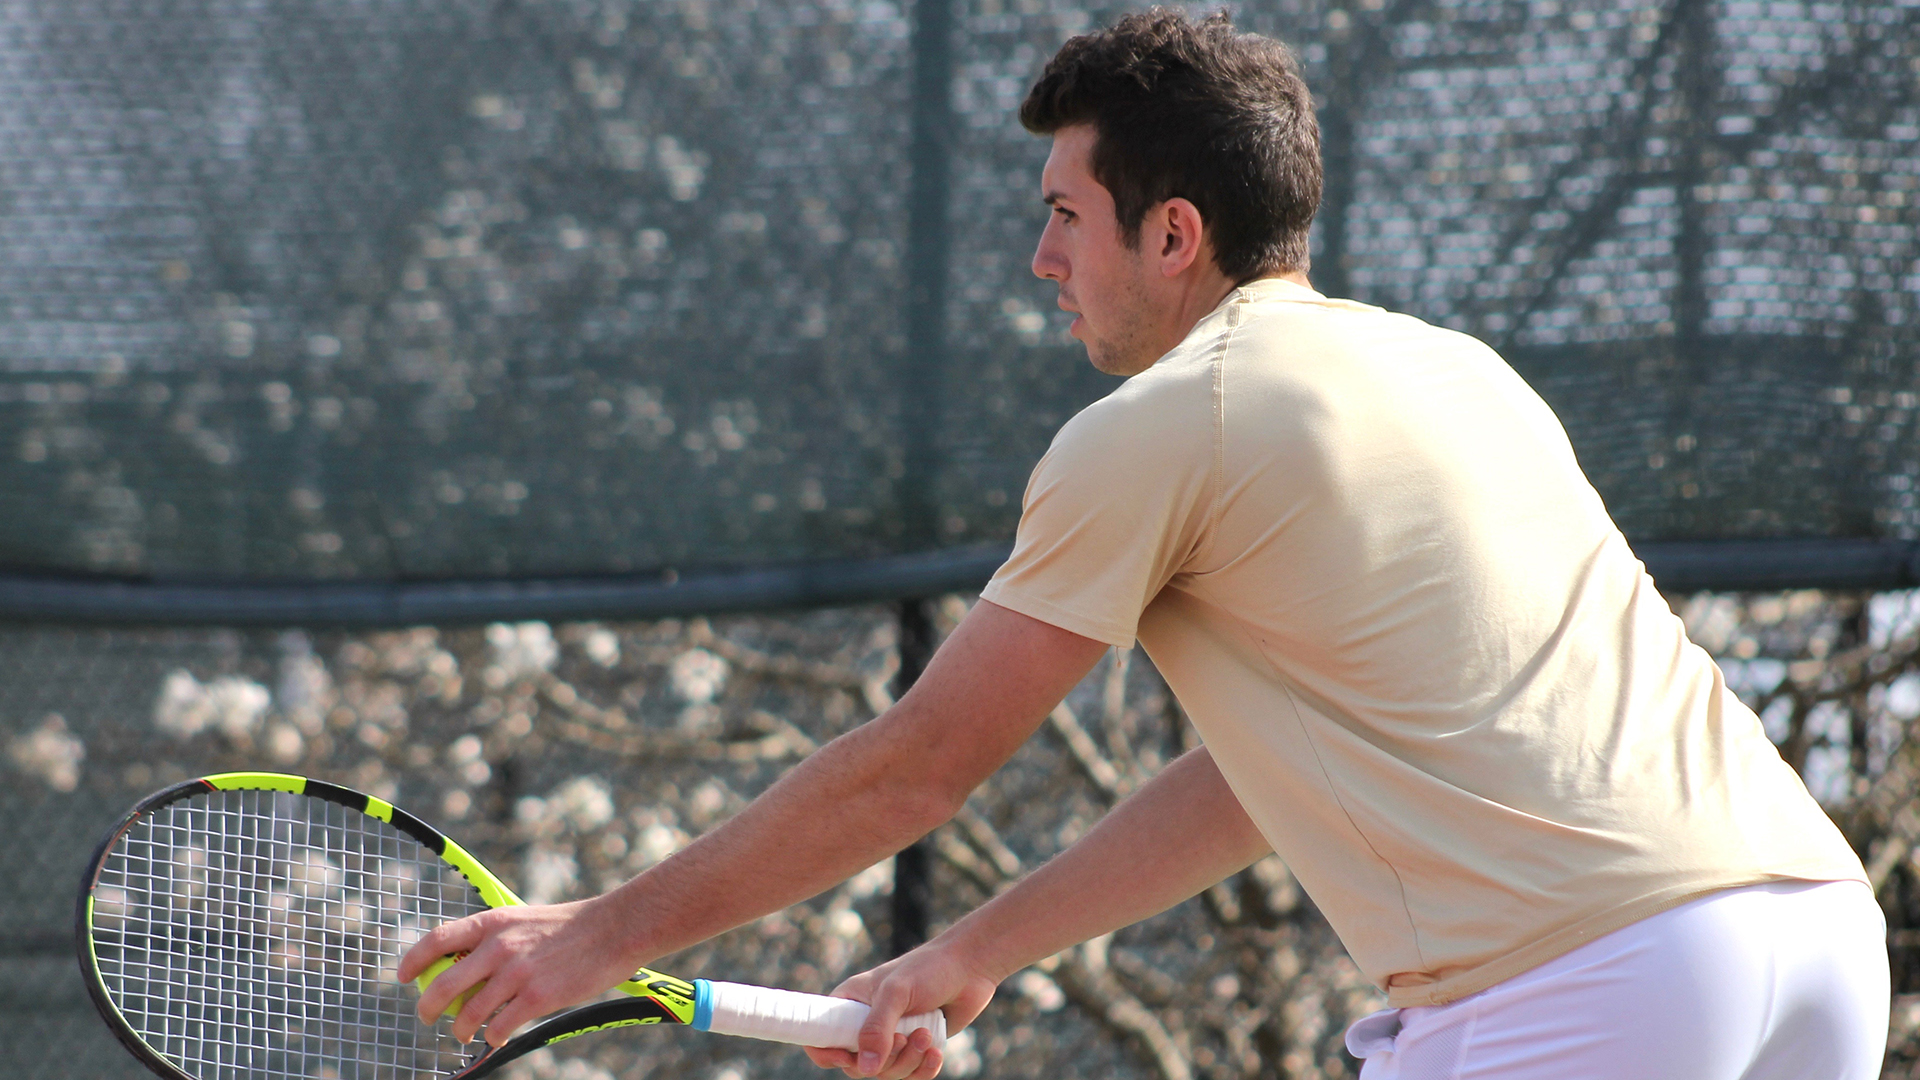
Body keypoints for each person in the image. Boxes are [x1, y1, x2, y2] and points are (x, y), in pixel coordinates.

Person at [403, 10, 1890, 1078]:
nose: (1041, 259)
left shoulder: (1168, 423)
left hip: (1589, 988)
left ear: (1172, 235)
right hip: (1815, 939)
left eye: (1065, 215)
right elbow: (1267, 778)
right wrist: (968, 953)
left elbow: (922, 763)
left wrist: (603, 932)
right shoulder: (1455, 369)